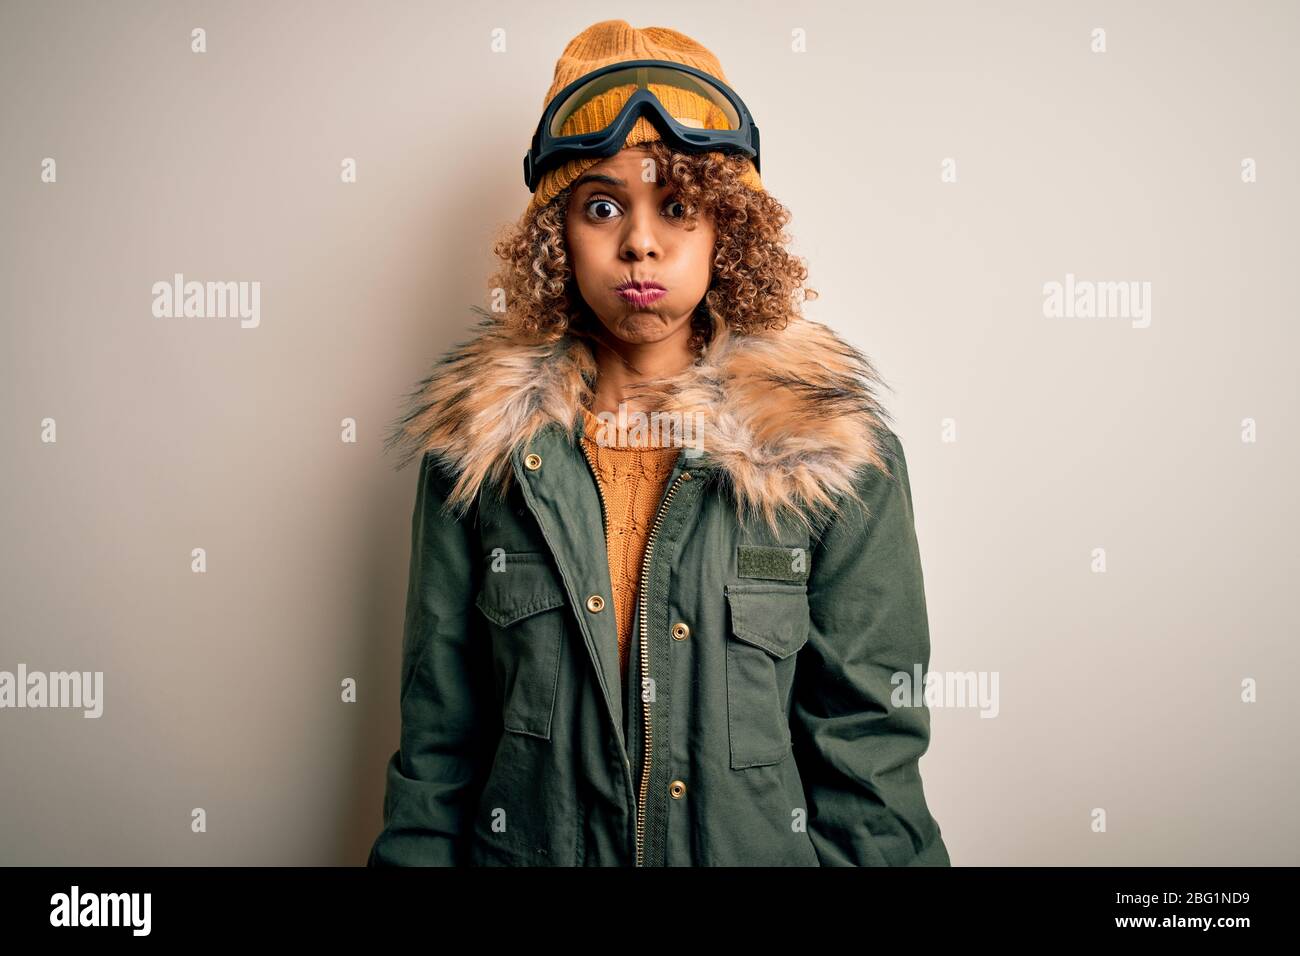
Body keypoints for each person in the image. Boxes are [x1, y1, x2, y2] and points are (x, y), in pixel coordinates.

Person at [367, 19, 950, 867]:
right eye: (601, 206)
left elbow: (870, 755)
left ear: (729, 232)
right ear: (555, 238)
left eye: (678, 205)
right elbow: (437, 746)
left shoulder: (827, 457)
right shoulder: (479, 456)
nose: (641, 240)